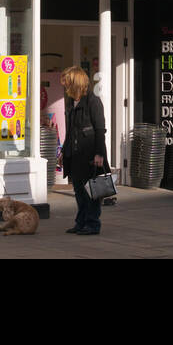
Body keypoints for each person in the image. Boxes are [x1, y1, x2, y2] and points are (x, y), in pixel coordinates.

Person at [63, 67, 107, 235]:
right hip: (74, 154)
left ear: (76, 82)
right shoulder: (71, 102)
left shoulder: (93, 101)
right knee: (79, 190)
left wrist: (99, 153)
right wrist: (64, 152)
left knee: (92, 190)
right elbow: (70, 130)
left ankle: (92, 223)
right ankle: (80, 222)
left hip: (89, 154)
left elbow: (100, 129)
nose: (65, 85)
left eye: (67, 81)